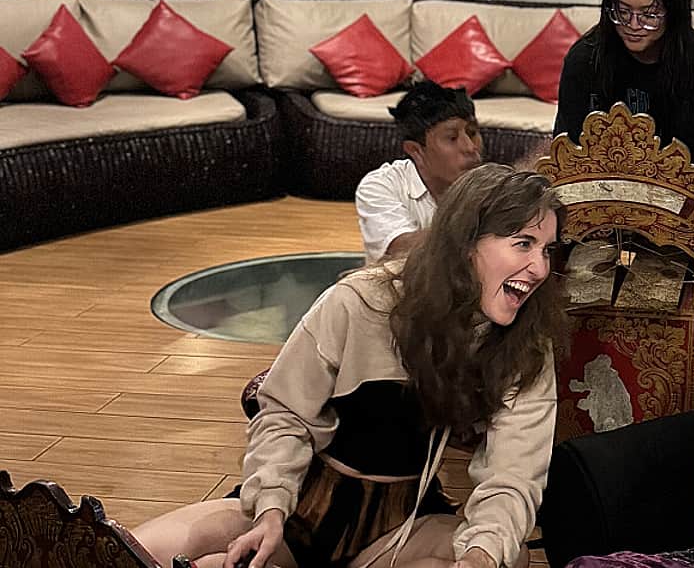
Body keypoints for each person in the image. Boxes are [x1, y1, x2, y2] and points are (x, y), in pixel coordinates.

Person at [134, 164, 567, 568]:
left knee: (505, 558)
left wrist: (482, 556)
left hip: (403, 526)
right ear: (465, 242)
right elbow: (285, 414)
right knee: (136, 550)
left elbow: (514, 475)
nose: (540, 268)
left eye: (547, 249)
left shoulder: (526, 344)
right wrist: (268, 506)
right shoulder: (360, 302)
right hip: (296, 507)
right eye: (523, 244)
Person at [553, 0, 694, 370]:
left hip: (684, 206)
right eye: (621, 11)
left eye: (650, 14)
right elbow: (567, 153)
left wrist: (652, 214)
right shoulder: (586, 59)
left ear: (675, 9)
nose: (634, 25)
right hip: (600, 203)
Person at [357, 80, 483, 263]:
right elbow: (400, 249)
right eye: (452, 138)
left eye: (472, 133)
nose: (470, 147)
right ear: (416, 150)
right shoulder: (379, 186)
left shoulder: (491, 185)